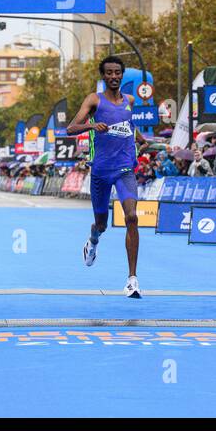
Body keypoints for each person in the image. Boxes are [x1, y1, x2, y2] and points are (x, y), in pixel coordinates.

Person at [67, 55, 146, 298]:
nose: (113, 76)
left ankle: (132, 280)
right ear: (103, 76)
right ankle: (93, 241)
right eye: (109, 73)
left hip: (124, 169)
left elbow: (127, 124)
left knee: (131, 217)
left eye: (117, 73)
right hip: (100, 171)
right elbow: (70, 128)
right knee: (101, 223)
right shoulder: (94, 100)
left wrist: (139, 139)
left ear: (122, 76)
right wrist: (92, 125)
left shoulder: (130, 100)